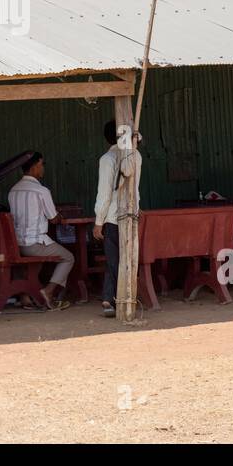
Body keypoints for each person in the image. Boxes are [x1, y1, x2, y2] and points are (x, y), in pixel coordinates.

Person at [7, 152, 74, 310]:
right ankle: (49, 291)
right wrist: (59, 216)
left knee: (36, 263)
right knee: (68, 257)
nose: (43, 168)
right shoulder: (41, 191)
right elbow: (53, 219)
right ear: (34, 166)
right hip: (34, 244)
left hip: (16, 244)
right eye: (42, 164)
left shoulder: (13, 190)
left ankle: (25, 297)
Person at [94, 120, 142, 318]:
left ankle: (110, 298)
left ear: (106, 137)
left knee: (114, 260)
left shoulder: (108, 158)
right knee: (127, 259)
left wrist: (98, 221)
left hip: (113, 216)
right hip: (132, 214)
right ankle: (121, 297)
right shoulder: (135, 155)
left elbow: (105, 193)